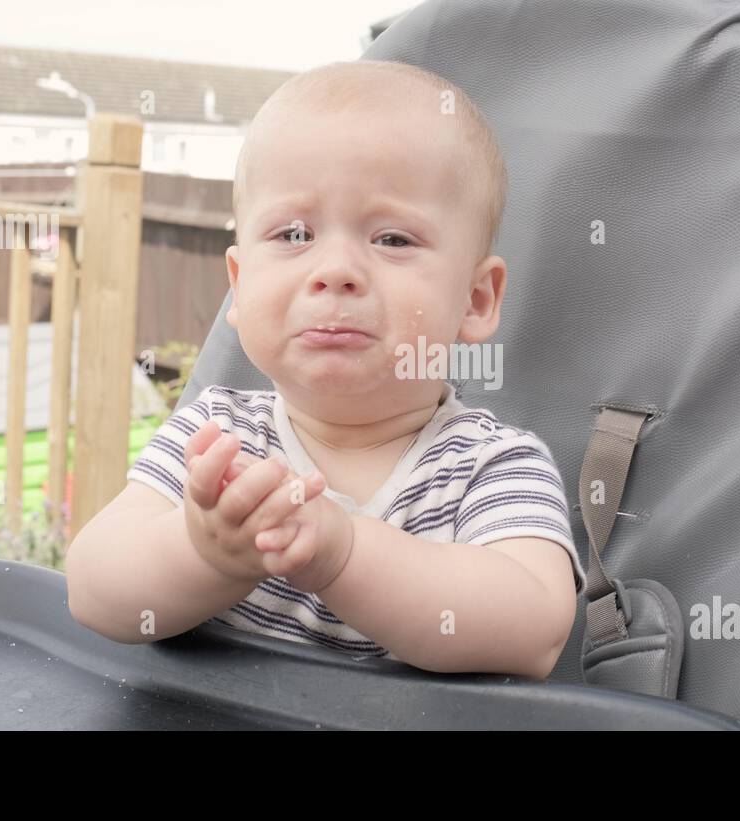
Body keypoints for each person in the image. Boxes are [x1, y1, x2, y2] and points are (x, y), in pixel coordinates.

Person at [66, 59, 586, 679]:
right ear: (238, 285)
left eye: (393, 239)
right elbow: (93, 590)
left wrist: (341, 556)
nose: (334, 268)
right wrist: (205, 553)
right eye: (293, 234)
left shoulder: (490, 466)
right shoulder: (216, 438)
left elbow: (532, 629)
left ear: (476, 300)